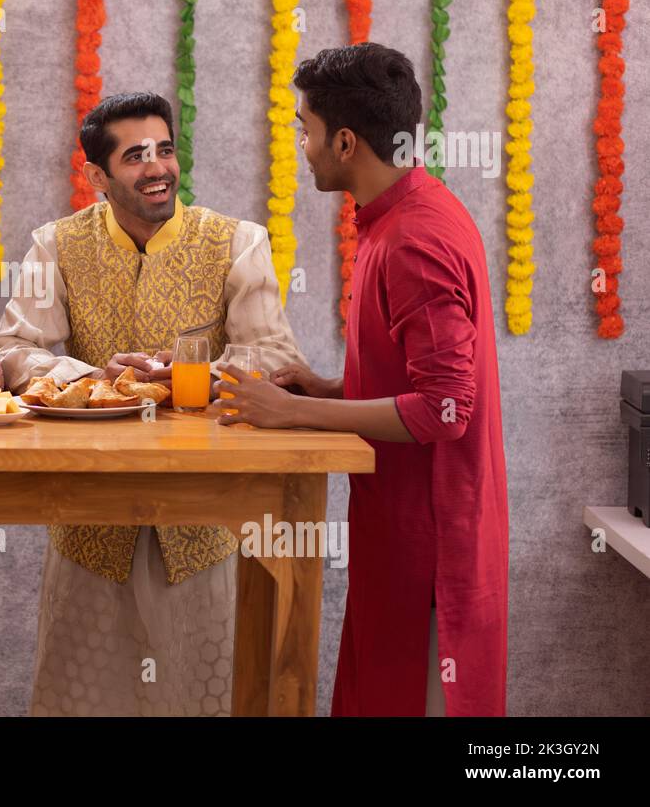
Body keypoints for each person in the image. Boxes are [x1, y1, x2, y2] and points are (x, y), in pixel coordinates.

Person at [215, 43, 509, 716]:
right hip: (399, 531)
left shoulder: (413, 240)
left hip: (433, 548)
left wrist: (293, 416)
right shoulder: (401, 214)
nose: (301, 144)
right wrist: (326, 389)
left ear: (345, 140)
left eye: (305, 128)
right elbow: (418, 381)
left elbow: (443, 410)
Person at [0, 92, 305, 715]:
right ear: (98, 176)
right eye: (135, 155)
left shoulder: (236, 241)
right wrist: (89, 376)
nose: (157, 166)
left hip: (202, 514)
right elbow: (11, 347)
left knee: (201, 691)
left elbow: (275, 355)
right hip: (89, 509)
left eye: (164, 149)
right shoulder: (55, 245)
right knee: (81, 695)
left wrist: (191, 374)